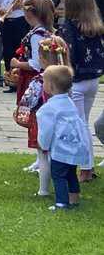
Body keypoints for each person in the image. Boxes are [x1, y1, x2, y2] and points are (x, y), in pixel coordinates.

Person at [56, 0, 104, 181]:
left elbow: (70, 55)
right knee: (83, 122)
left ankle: (86, 167)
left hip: (76, 81)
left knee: (80, 124)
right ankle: (87, 166)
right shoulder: (95, 26)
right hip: (93, 79)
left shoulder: (68, 27)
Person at [10, 0, 56, 178]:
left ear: (31, 13)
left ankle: (43, 158)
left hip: (34, 80)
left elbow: (37, 64)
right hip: (35, 79)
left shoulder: (38, 35)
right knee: (36, 119)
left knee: (36, 118)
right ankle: (40, 158)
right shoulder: (43, 32)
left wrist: (17, 63)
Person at [36, 65, 92, 210]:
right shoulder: (69, 103)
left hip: (61, 148)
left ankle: (61, 203)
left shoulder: (49, 108)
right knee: (71, 173)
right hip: (74, 147)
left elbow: (46, 130)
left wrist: (43, 144)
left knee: (58, 175)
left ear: (51, 86)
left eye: (45, 82)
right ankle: (74, 198)